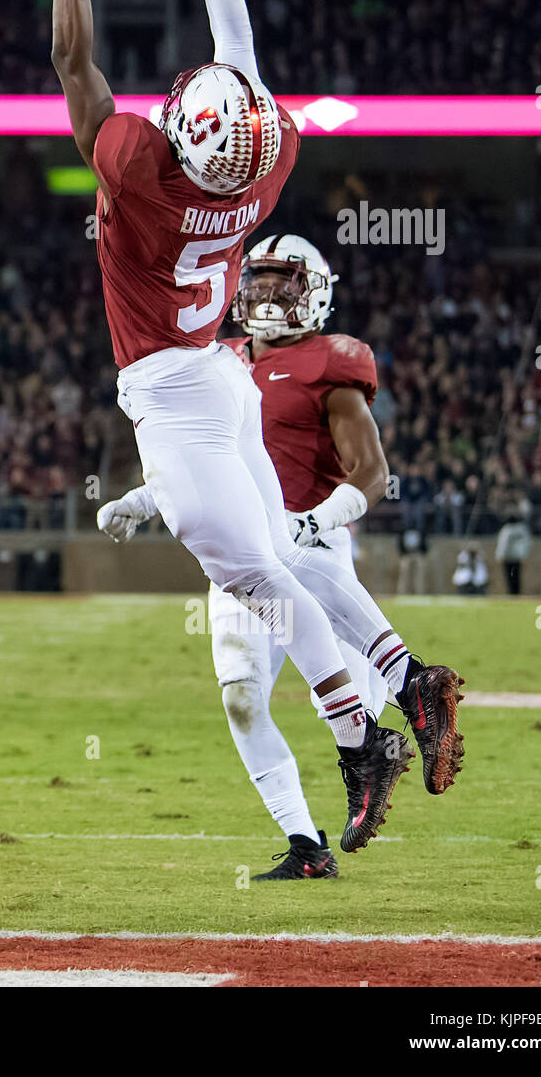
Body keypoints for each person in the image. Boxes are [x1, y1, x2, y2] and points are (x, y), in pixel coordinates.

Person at [50, 0, 410, 852]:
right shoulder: (264, 158)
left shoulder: (147, 171)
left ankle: (358, 738)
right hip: (217, 373)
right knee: (271, 568)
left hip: (174, 392)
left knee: (253, 576)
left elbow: (73, 63)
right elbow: (239, 46)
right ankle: (361, 731)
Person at [196, 236, 464, 878]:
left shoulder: (329, 362)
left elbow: (372, 473)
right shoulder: (220, 360)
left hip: (311, 543)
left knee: (343, 703)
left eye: (281, 284)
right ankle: (305, 845)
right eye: (255, 282)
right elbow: (200, 450)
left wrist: (320, 518)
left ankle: (403, 703)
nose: (264, 295)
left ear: (314, 294)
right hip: (239, 552)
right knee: (240, 697)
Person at [495, 512, 531, 595]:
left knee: (510, 577)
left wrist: (499, 556)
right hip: (517, 557)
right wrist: (524, 555)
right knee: (517, 577)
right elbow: (527, 543)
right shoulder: (522, 530)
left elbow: (503, 544)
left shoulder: (506, 530)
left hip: (508, 558)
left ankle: (512, 593)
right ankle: (517, 593)